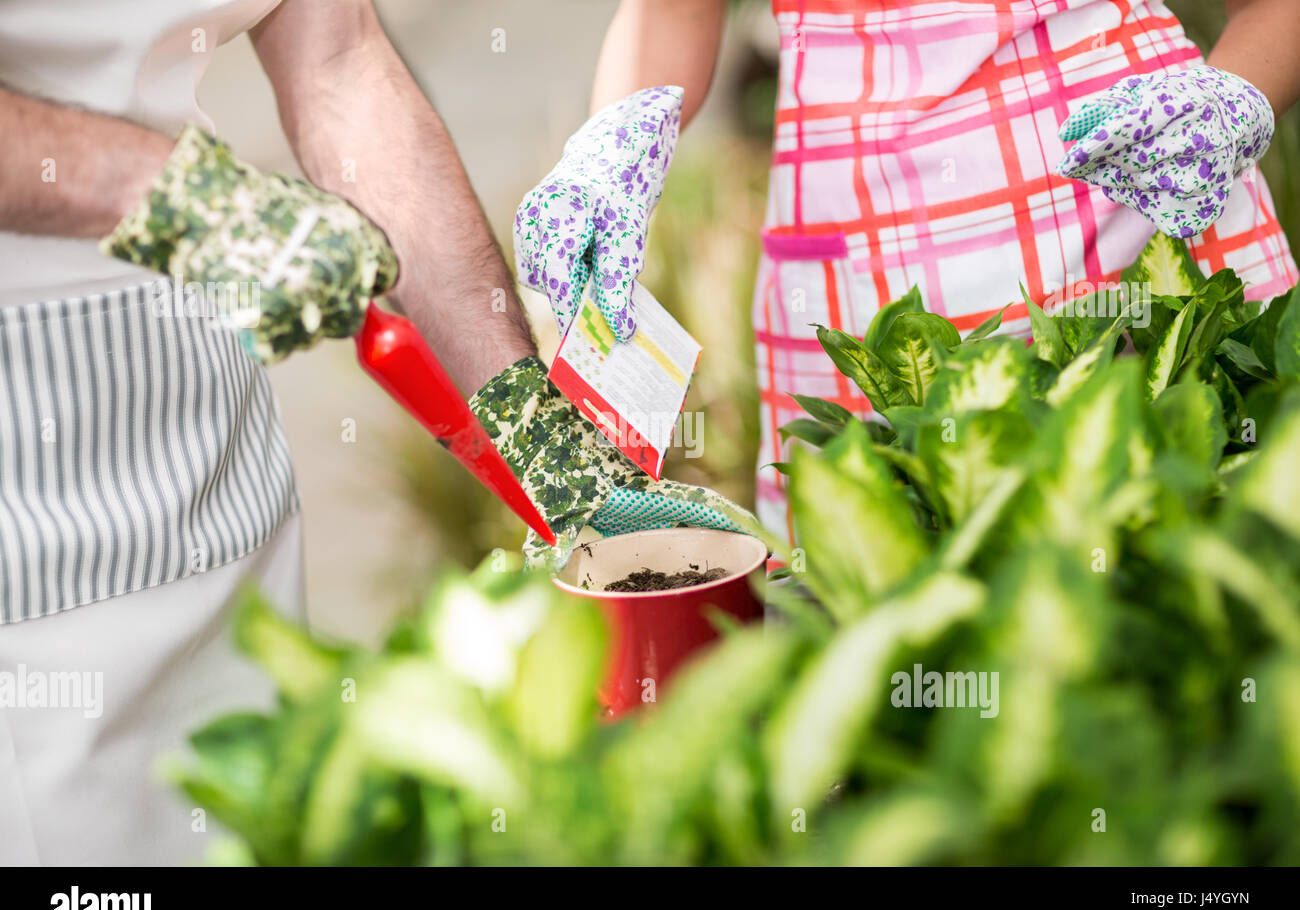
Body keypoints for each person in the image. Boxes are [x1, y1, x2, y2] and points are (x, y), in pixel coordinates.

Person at [0, 0, 750, 865]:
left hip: (213, 453)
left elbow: (340, 61)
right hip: (33, 473)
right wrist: (170, 192)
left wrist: (532, 427)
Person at [517, 0, 1300, 538]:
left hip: (1139, 200)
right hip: (853, 277)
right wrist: (608, 146)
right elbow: (673, 10)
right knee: (879, 696)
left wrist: (1230, 101)